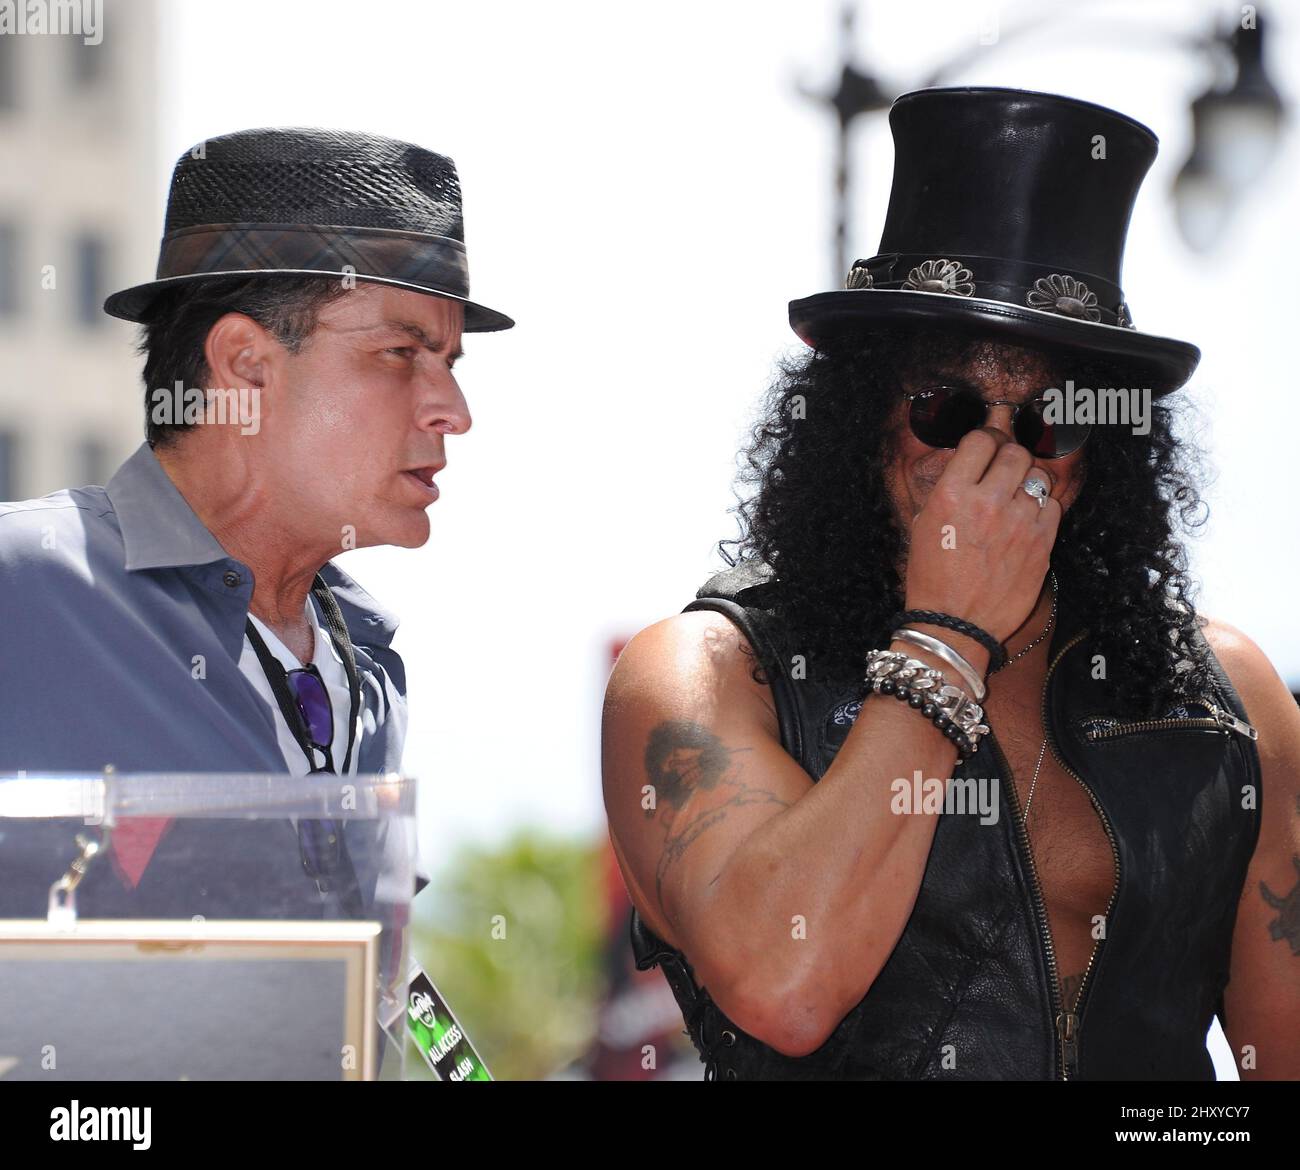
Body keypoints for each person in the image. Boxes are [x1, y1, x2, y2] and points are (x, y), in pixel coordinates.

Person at [602, 87, 1300, 1080]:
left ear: (1097, 455)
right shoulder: (708, 671)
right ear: (862, 415)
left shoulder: (1223, 697)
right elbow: (786, 986)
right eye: (946, 409)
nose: (994, 454)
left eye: (1050, 419)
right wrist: (945, 637)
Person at [0, 128, 512, 922]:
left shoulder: (367, 665)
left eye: (448, 362)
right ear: (244, 365)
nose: (454, 410)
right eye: (400, 353)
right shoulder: (23, 587)